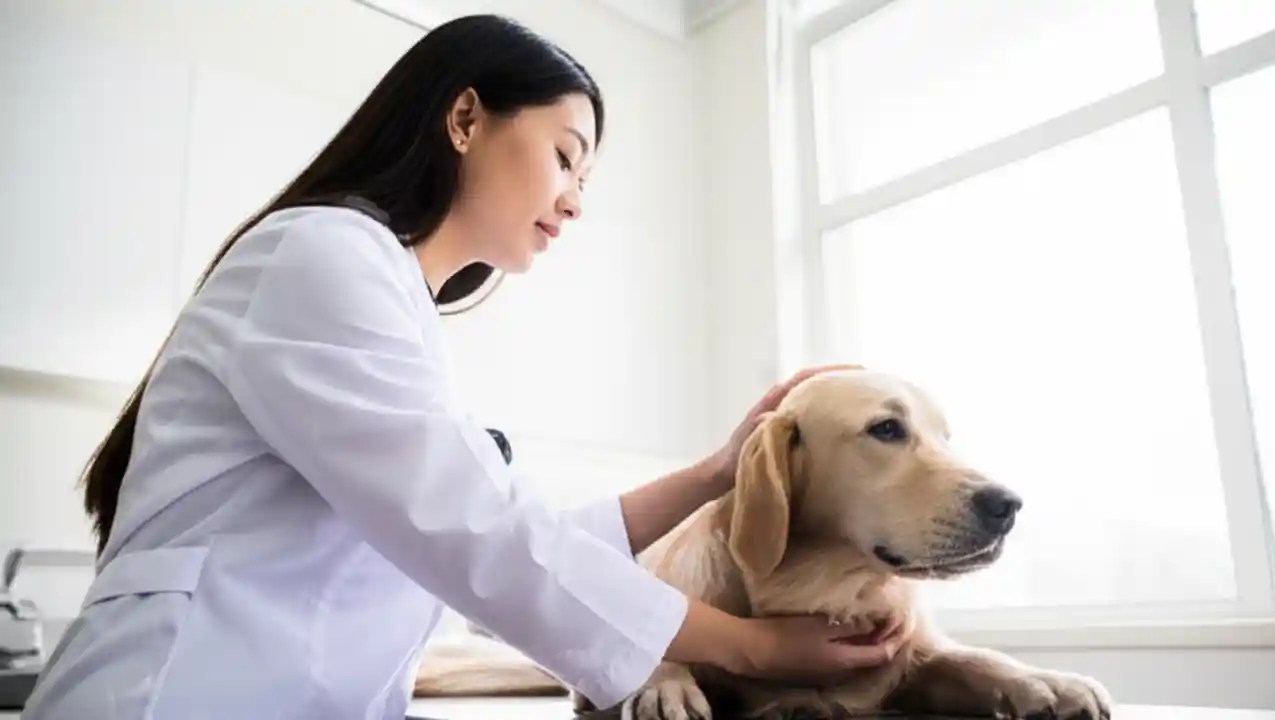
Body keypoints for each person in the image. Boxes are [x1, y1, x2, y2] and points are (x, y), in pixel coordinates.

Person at [21, 14, 904, 719]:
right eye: (566, 155)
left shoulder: (394, 308)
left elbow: (519, 539)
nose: (574, 200)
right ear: (466, 117)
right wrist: (751, 648)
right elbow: (478, 533)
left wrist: (716, 477)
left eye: (585, 180)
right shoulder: (323, 254)